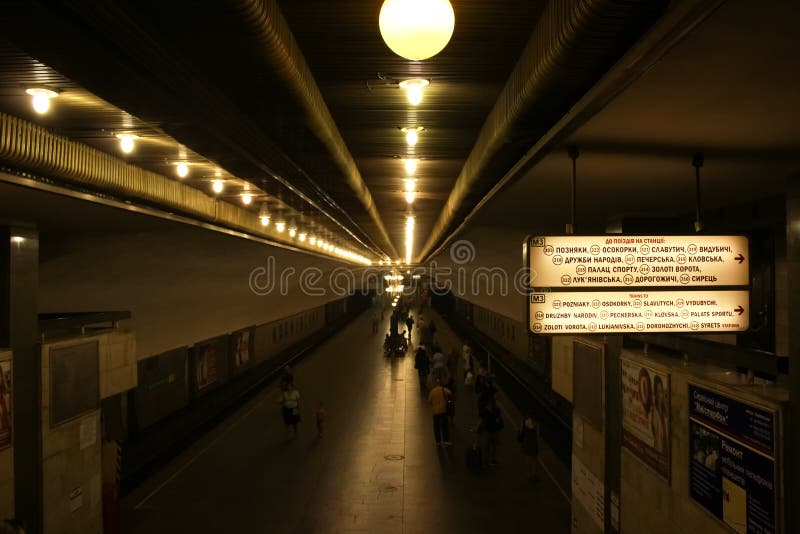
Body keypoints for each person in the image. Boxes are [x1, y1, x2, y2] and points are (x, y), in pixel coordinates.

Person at [478, 397, 503, 466]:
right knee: (489, 447)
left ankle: (487, 461)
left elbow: (481, 421)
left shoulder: (487, 411)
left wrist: (477, 428)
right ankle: (488, 461)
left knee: (489, 447)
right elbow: (481, 420)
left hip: (491, 432)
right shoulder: (488, 411)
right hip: (491, 432)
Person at [427, 379, 453, 446]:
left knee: (436, 426)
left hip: (435, 411)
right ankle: (445, 440)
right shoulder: (444, 389)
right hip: (443, 410)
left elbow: (429, 401)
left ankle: (438, 441)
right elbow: (450, 393)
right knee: (444, 425)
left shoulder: (432, 391)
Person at [518, 413, 540, 482]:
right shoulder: (536, 424)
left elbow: (521, 431)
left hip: (526, 442)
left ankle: (528, 474)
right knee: (534, 459)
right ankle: (534, 474)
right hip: (533, 443)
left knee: (527, 459)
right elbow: (537, 435)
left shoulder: (524, 422)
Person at [651, 376, 668, 454]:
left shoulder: (665, 411)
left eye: (661, 391)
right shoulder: (654, 412)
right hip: (659, 451)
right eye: (657, 392)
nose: (659, 395)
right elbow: (655, 430)